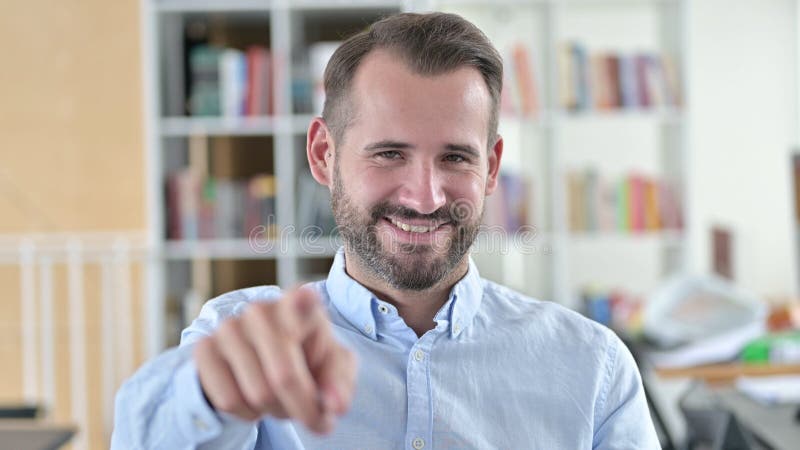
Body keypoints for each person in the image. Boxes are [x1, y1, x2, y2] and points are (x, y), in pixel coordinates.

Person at [112, 12, 659, 449]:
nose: (425, 197)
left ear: (491, 168)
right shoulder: (240, 338)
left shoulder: (592, 367)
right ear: (325, 154)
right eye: (390, 153)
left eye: (455, 158)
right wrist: (210, 393)